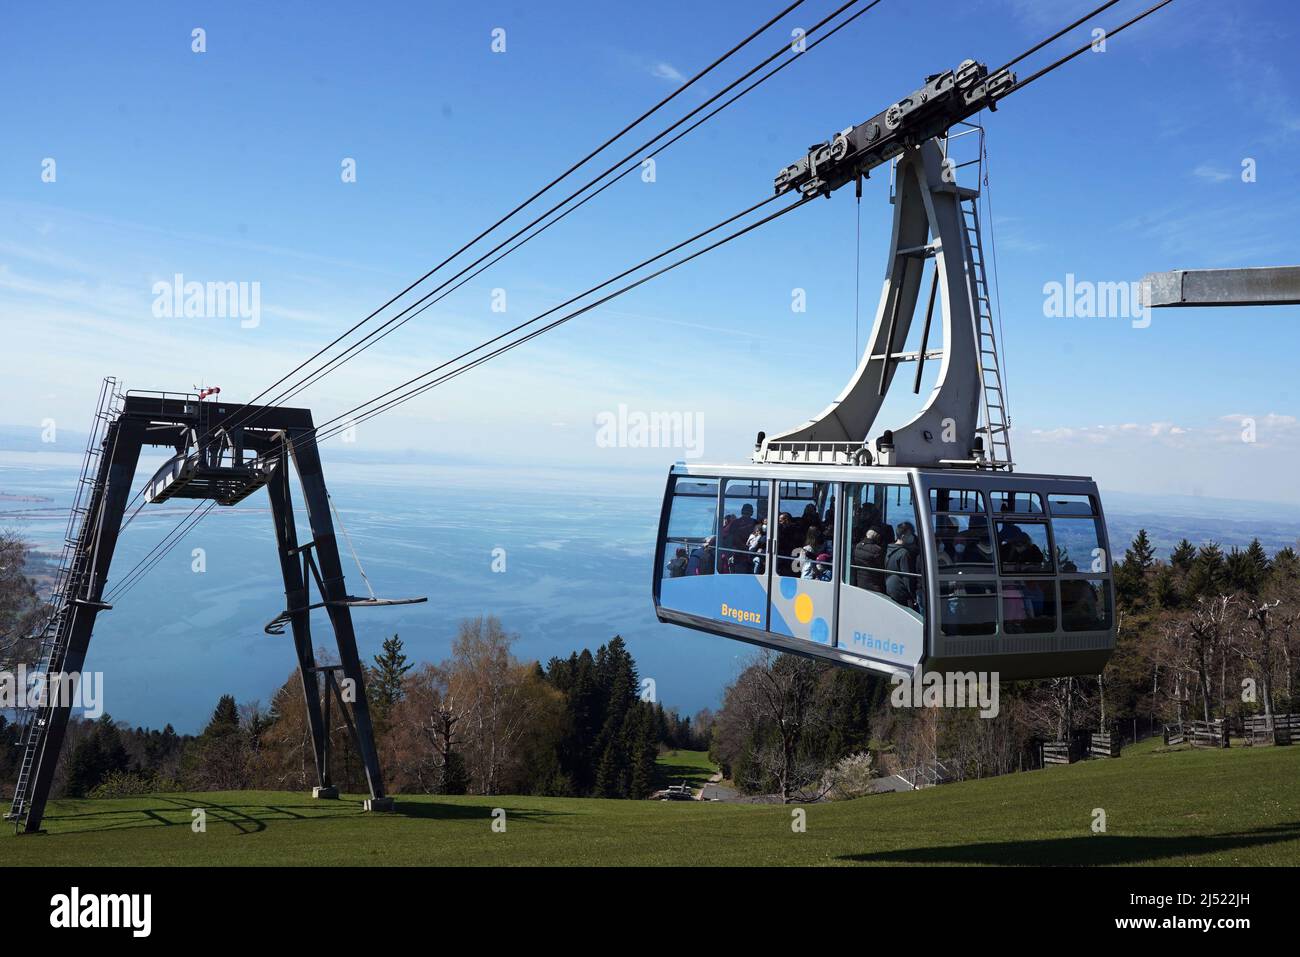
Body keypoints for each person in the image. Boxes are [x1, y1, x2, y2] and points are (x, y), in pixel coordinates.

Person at [885, 527, 919, 608]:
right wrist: (913, 596)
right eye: (910, 534)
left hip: (891, 589)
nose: (912, 537)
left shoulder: (889, 548)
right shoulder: (904, 553)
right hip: (902, 593)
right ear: (903, 536)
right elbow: (907, 577)